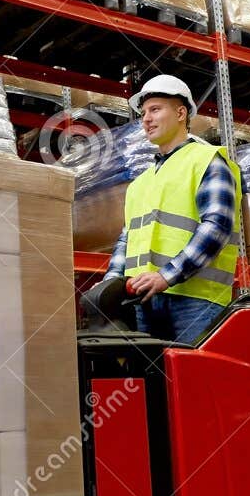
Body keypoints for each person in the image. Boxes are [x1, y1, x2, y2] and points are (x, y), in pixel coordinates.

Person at [103, 74, 242, 344]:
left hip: (196, 300)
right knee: (156, 384)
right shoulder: (141, 182)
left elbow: (217, 226)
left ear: (181, 113)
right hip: (143, 300)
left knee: (195, 381)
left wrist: (166, 276)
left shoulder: (207, 161)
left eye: (155, 109)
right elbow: (127, 238)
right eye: (143, 113)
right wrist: (110, 285)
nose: (146, 119)